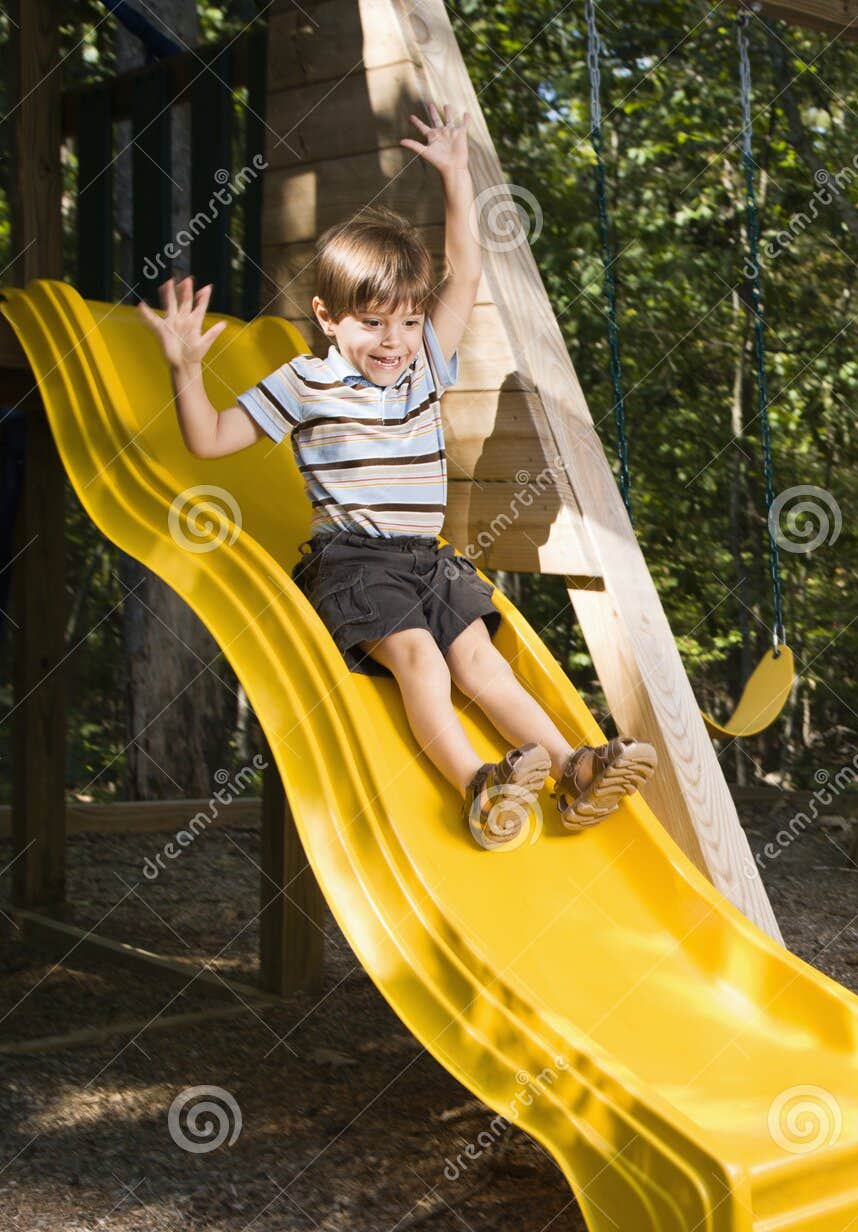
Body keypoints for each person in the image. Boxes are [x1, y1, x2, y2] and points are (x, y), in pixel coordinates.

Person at [138, 102, 655, 848]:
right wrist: (186, 367)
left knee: (482, 660)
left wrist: (454, 173)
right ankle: (476, 782)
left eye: (409, 321)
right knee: (420, 657)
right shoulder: (302, 383)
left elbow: (466, 268)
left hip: (428, 563)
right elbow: (211, 439)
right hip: (353, 563)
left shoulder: (426, 372)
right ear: (327, 315)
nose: (395, 340)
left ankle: (575, 770)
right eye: (374, 322)